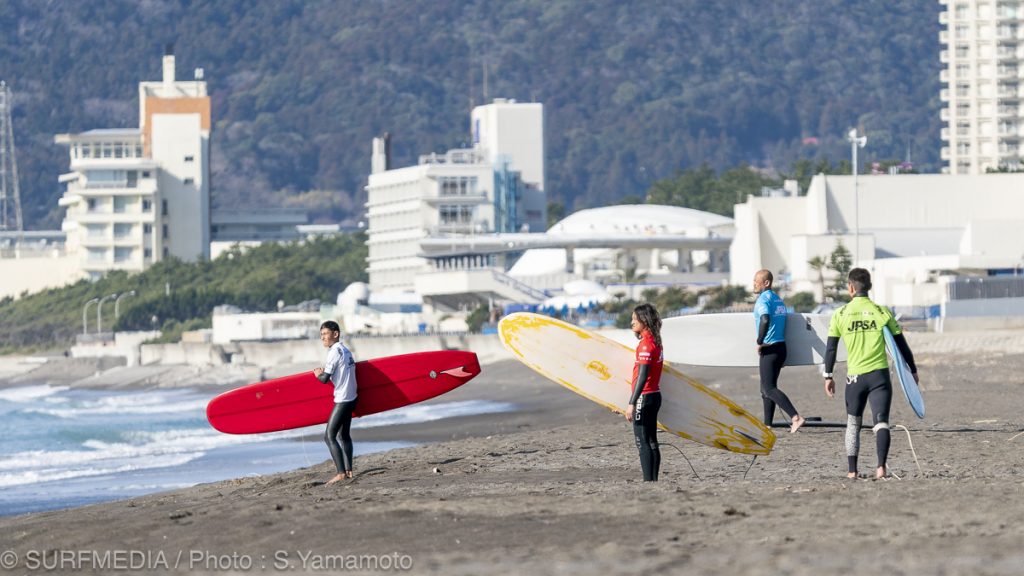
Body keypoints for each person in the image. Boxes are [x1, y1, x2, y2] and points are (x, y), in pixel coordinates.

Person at [823, 268, 919, 479]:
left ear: (850, 288)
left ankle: (852, 471)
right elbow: (901, 345)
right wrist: (912, 369)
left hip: (855, 377)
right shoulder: (882, 312)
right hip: (879, 376)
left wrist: (828, 375)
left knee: (853, 424)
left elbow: (830, 349)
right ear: (870, 287)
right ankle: (880, 467)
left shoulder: (840, 314)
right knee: (881, 422)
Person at [753, 270, 805, 433]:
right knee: (766, 388)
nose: (754, 283)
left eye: (756, 281)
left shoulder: (763, 299)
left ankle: (795, 417)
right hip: (781, 348)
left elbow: (765, 319)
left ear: (766, 283)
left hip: (769, 348)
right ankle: (768, 424)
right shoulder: (778, 300)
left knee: (768, 388)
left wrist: (760, 341)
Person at [313, 320, 358, 485]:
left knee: (329, 436)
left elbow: (325, 379)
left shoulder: (333, 352)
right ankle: (349, 469)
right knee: (344, 435)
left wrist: (318, 373)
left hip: (343, 400)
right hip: (353, 398)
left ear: (336, 334)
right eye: (321, 335)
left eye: (325, 334)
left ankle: (340, 473)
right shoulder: (346, 350)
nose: (323, 338)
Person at [626, 303, 664, 482]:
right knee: (651, 440)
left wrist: (632, 403)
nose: (632, 322)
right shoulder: (656, 342)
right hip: (654, 395)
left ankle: (648, 481)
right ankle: (653, 480)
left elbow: (642, 377)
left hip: (645, 396)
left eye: (635, 319)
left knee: (642, 442)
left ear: (644, 320)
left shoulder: (646, 346)